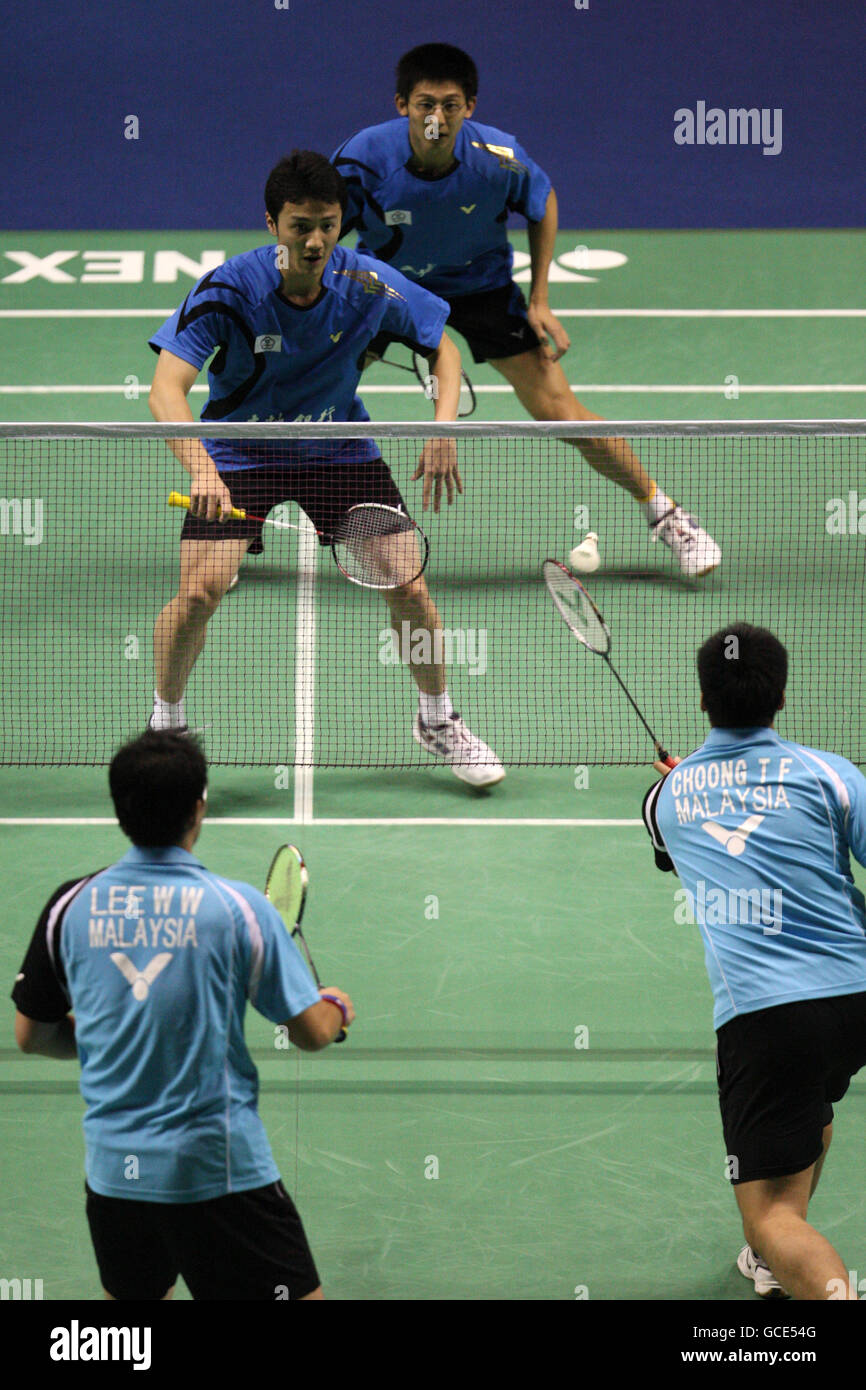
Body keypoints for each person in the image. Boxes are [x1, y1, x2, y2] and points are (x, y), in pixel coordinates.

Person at [148, 149, 504, 788]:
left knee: (409, 585)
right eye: (299, 226)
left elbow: (443, 348)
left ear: (342, 222)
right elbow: (166, 390)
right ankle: (166, 724)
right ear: (271, 224)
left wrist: (442, 428)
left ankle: (437, 718)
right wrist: (201, 469)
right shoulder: (230, 290)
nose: (315, 242)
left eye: (328, 225)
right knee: (201, 590)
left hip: (336, 448)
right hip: (239, 451)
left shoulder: (367, 282)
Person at [331, 42, 721, 580]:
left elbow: (543, 202)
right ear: (402, 104)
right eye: (425, 104)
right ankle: (239, 522)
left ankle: (668, 515)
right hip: (391, 287)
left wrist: (539, 299)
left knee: (560, 411)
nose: (436, 118)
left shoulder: (499, 158)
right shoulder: (361, 160)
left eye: (450, 104)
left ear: (470, 106)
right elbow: (326, 225)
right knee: (315, 386)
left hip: (481, 286)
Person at [11, 730, 354, 1300]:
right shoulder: (239, 910)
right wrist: (337, 1008)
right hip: (216, 1173)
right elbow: (313, 1034)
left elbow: (32, 1035)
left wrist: (109, 1035)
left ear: (119, 809)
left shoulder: (68, 906)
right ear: (199, 807)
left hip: (114, 1179)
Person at [642, 623, 866, 1300]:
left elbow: (670, 843)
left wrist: (689, 782)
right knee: (812, 1107)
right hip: (856, 999)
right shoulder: (833, 775)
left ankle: (804, 1269)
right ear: (784, 697)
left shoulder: (665, 802)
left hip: (766, 1019)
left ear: (703, 702)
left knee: (770, 1215)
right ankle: (773, 1264)